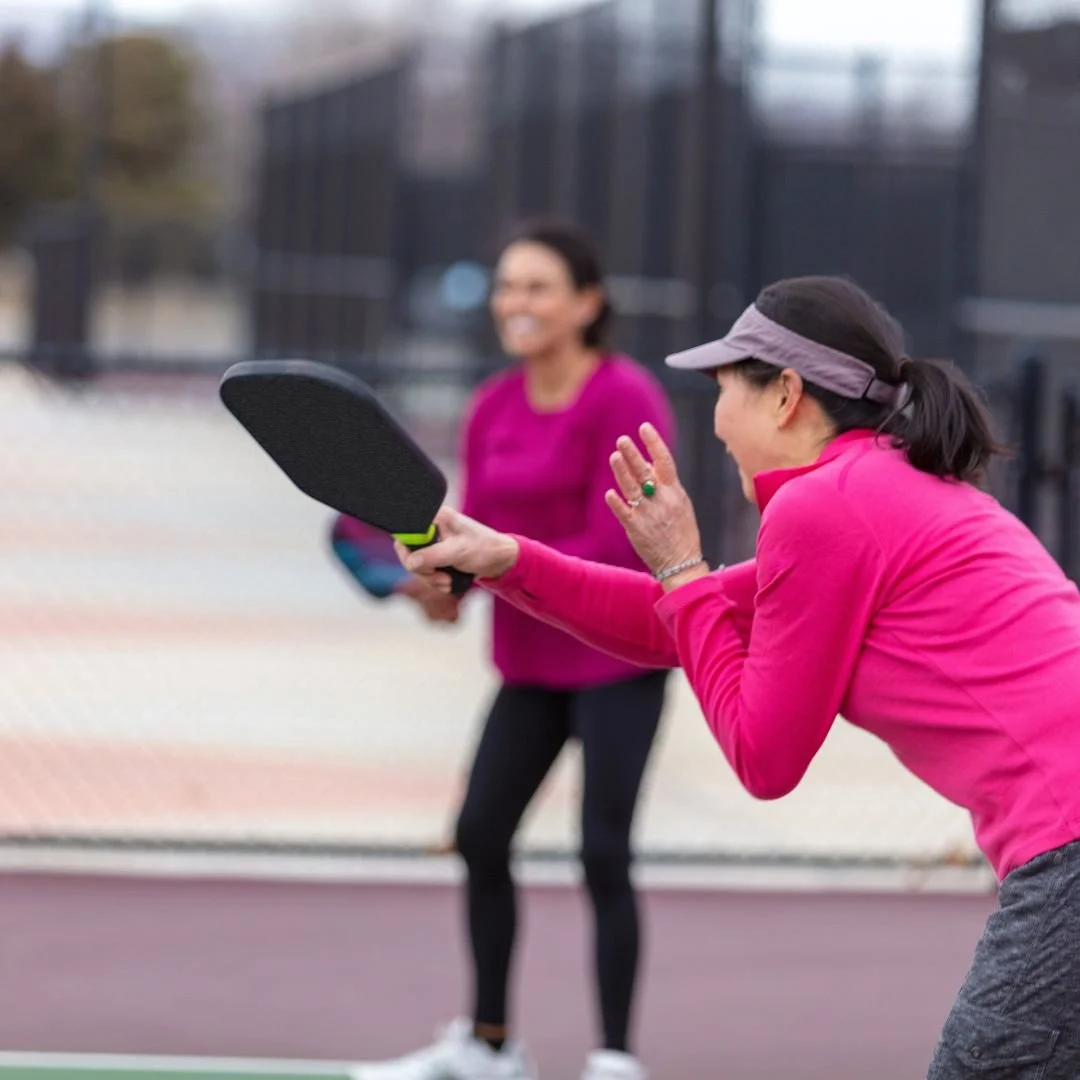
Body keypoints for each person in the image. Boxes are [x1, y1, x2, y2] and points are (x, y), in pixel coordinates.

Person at [399, 274, 1080, 1080]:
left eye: (725, 387)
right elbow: (681, 622)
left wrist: (681, 567)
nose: (716, 420)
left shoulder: (828, 507)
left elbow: (764, 758)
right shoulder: (881, 490)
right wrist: (506, 560)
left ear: (785, 394)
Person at [351, 221, 676, 1080]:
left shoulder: (625, 398)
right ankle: (490, 1045)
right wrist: (438, 592)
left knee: (604, 851)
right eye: (506, 286)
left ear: (587, 304)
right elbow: (475, 545)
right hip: (529, 667)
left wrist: (492, 569)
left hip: (618, 658)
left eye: (536, 286)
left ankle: (614, 1059)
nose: (515, 303)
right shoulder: (493, 403)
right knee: (481, 834)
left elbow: (618, 551)